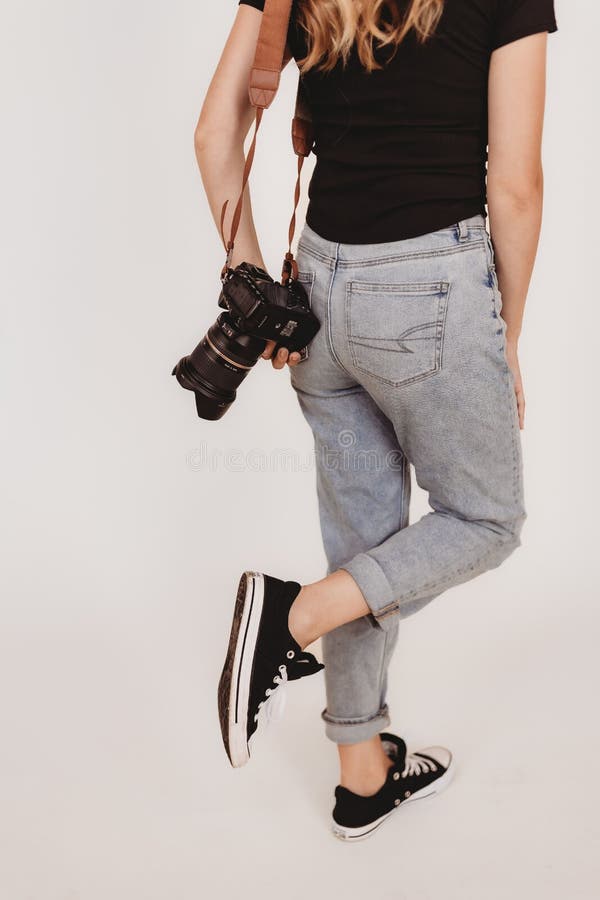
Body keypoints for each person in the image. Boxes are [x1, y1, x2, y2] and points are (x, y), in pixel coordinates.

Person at [194, 0, 558, 840]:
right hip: (431, 291)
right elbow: (517, 183)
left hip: (318, 291)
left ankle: (362, 770)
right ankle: (290, 619)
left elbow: (215, 138)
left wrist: (257, 294)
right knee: (488, 521)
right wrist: (505, 338)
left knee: (367, 547)